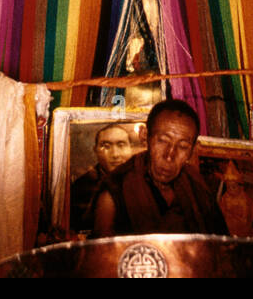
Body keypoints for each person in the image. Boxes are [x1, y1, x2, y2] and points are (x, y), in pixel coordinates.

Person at [90, 99, 228, 236]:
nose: (169, 155)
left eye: (183, 146)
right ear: (144, 136)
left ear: (193, 149)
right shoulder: (113, 193)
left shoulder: (198, 186)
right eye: (162, 141)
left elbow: (223, 249)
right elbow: (102, 255)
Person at [69, 122, 133, 232]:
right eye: (106, 146)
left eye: (121, 145)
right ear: (95, 150)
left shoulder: (144, 180)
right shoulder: (81, 187)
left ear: (131, 148)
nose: (115, 154)